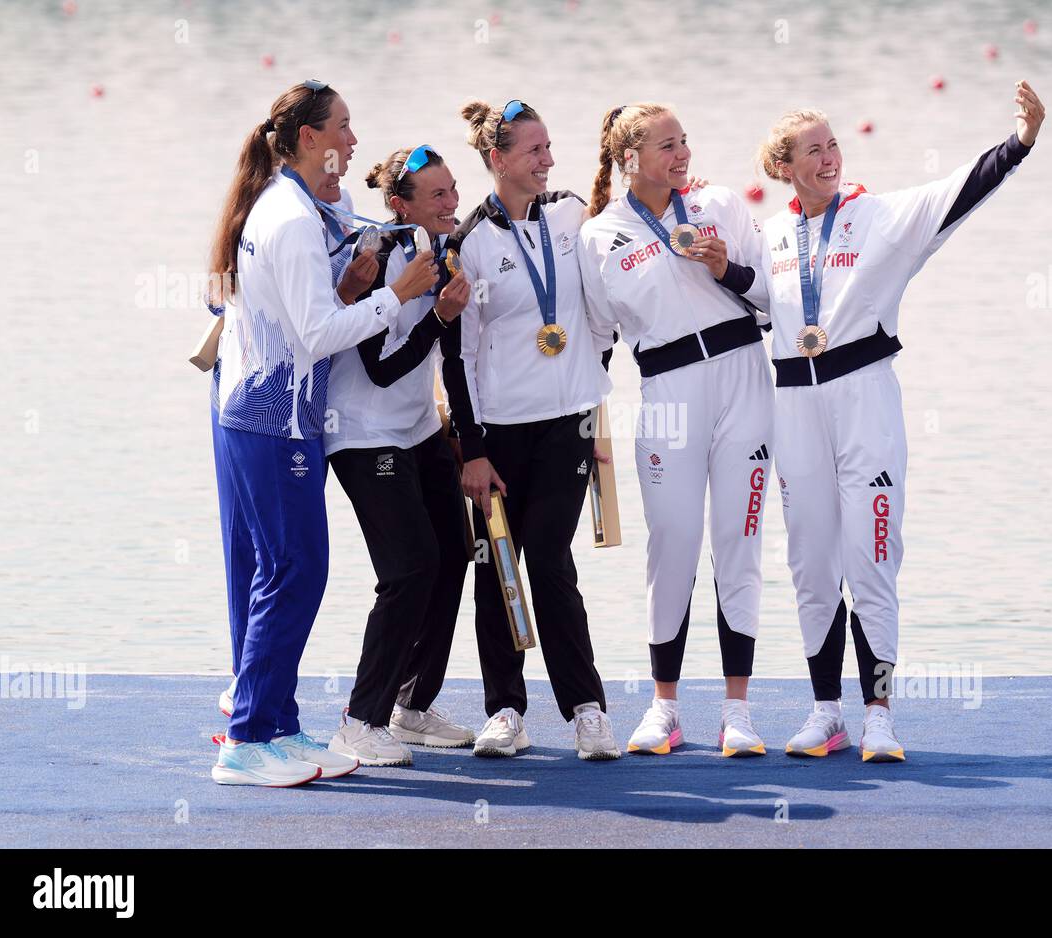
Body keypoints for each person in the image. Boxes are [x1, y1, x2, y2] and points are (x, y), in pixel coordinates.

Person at [756, 81, 1046, 761]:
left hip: (865, 401)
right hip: (795, 405)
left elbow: (961, 189)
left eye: (833, 145)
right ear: (784, 168)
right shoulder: (769, 234)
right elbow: (747, 295)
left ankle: (878, 716)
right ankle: (825, 711)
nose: (829, 158)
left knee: (873, 558)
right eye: (813, 150)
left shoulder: (884, 218)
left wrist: (1021, 143)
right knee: (810, 563)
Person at [207, 80, 439, 786]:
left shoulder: (296, 206)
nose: (353, 140)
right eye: (342, 126)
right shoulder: (290, 217)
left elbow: (309, 319)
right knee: (293, 570)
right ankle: (245, 739)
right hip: (271, 419)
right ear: (309, 138)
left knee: (296, 569)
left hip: (286, 417)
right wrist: (392, 298)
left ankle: (277, 722)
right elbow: (317, 333)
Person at [577, 103, 774, 757]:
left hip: (745, 379)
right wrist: (588, 432)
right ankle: (664, 708)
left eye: (685, 140)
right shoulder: (599, 236)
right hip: (665, 394)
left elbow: (776, 297)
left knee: (738, 540)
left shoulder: (720, 205)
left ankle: (738, 712)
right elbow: (595, 344)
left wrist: (729, 271)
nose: (682, 154)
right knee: (674, 544)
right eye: (668, 145)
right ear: (629, 158)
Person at [441, 99, 620, 761]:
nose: (549, 161)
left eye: (550, 148)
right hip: (500, 434)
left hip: (571, 424)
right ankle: (506, 711)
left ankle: (586, 710)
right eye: (535, 151)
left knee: (547, 560)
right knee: (496, 569)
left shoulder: (575, 214)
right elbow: (456, 356)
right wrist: (474, 450)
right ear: (498, 160)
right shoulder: (469, 244)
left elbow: (607, 304)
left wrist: (589, 372)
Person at [323, 144, 479, 765]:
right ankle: (360, 719)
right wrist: (438, 317)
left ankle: (412, 706)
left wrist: (471, 442)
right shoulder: (377, 257)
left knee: (453, 555)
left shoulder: (446, 252)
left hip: (419, 432)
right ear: (399, 205)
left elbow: (455, 360)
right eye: (436, 195)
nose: (451, 203)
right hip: (364, 435)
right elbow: (382, 369)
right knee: (410, 567)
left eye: (452, 190)